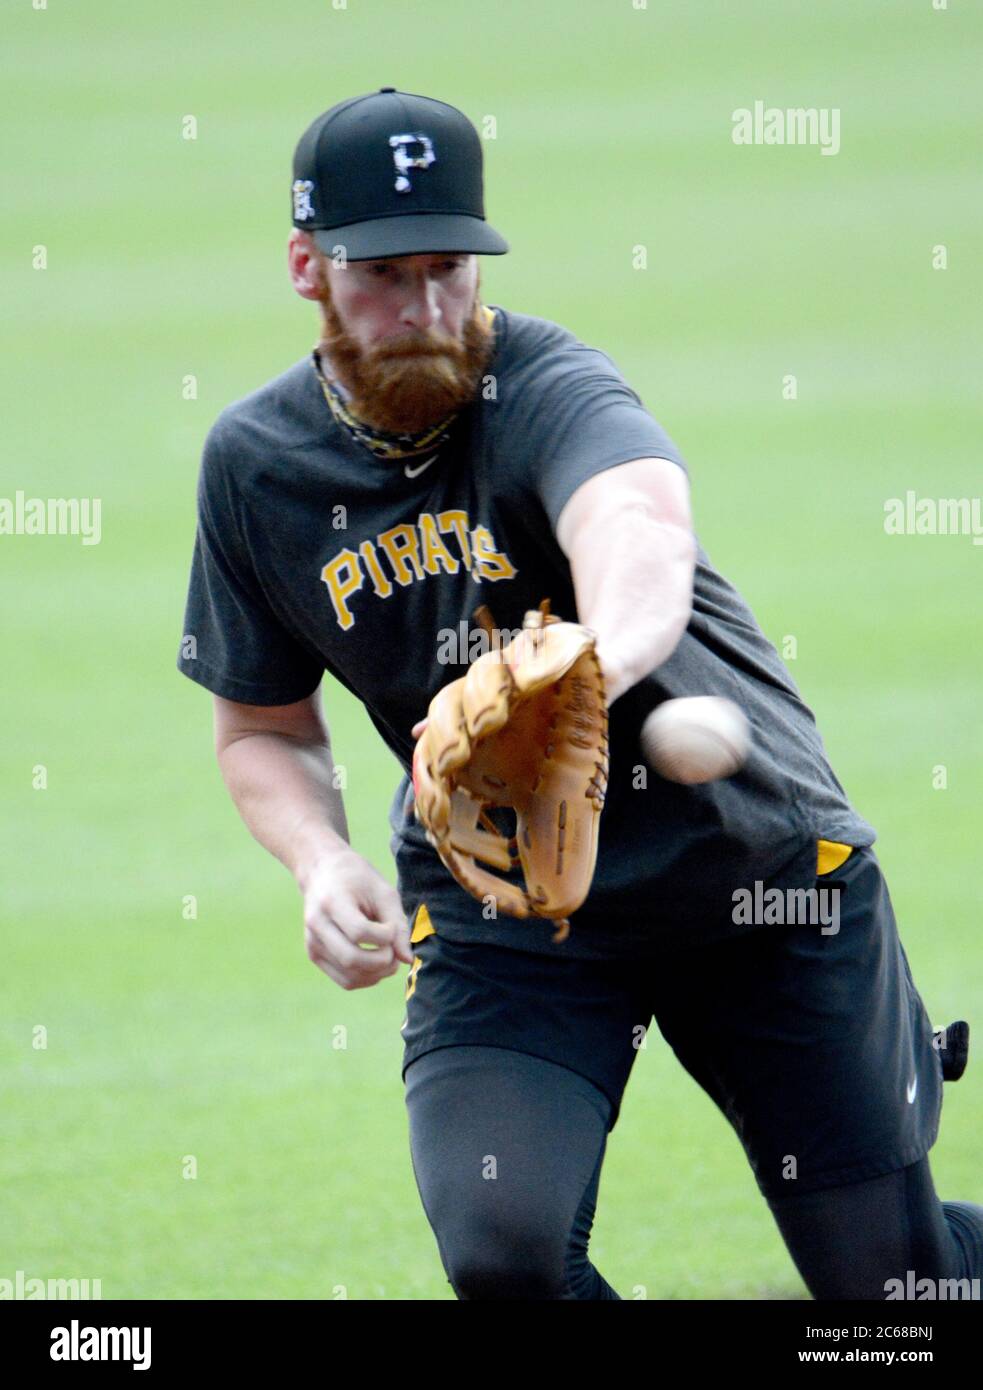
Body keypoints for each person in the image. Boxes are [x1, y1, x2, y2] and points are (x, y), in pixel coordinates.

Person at [177, 87, 982, 1300]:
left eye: (449, 268)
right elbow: (262, 727)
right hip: (511, 903)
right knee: (502, 1252)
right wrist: (319, 859)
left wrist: (579, 665)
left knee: (890, 1292)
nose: (426, 308)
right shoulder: (254, 466)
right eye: (385, 275)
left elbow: (639, 526)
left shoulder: (547, 381)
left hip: (751, 873)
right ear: (307, 267)